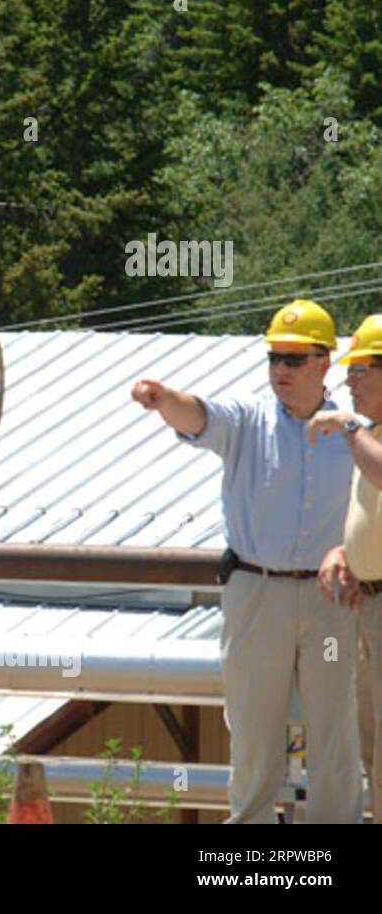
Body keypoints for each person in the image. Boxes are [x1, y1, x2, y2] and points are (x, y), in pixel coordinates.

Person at [131, 299, 361, 823]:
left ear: (326, 362)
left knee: (333, 727)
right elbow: (200, 415)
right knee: (255, 730)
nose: (280, 369)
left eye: (294, 359)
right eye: (275, 358)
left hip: (332, 603)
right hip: (259, 595)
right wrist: (163, 397)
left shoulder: (353, 430)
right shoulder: (248, 418)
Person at [309, 315, 382, 822]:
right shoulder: (372, 435)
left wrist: (349, 427)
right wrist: (347, 552)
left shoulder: (363, 438)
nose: (348, 381)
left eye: (359, 369)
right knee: (372, 748)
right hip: (368, 606)